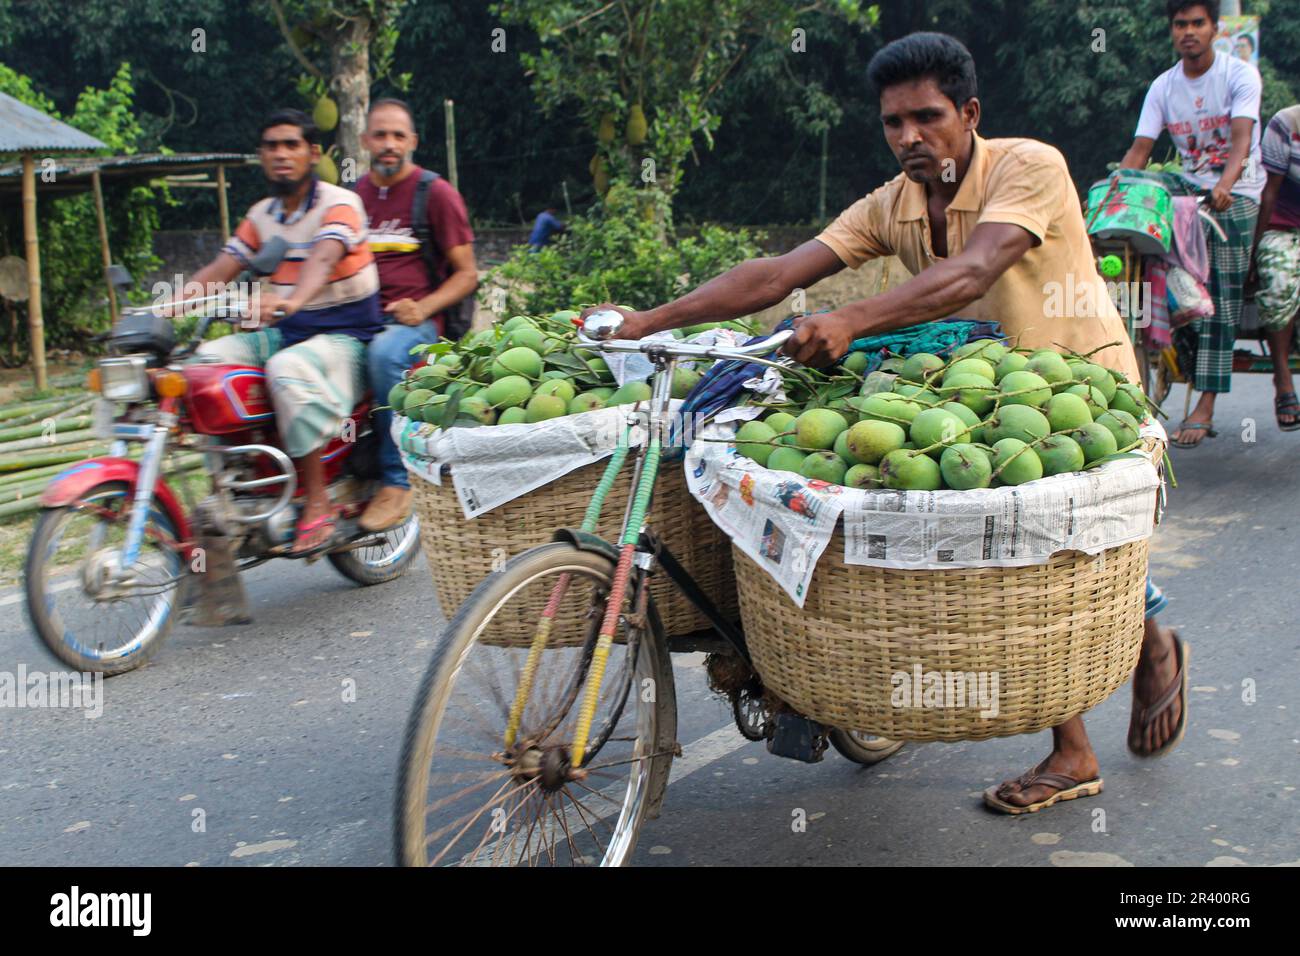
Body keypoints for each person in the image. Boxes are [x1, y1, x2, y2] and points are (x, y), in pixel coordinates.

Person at [581, 31, 1189, 813]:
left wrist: (853, 319)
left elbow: (970, 271)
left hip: (1072, 390)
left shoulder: (1028, 167)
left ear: (968, 113)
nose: (908, 137)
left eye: (926, 117)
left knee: (1047, 560)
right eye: (893, 122)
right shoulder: (890, 204)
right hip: (968, 395)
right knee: (1002, 552)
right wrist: (650, 319)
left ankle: (1080, 740)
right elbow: (777, 274)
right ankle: (1145, 635)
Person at [182, 108, 383, 554]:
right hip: (287, 330)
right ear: (261, 155)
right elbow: (221, 268)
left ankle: (316, 503)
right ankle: (236, 485)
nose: (280, 154)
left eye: (291, 145)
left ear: (313, 153)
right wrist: (160, 308)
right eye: (271, 146)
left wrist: (289, 300)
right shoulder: (262, 215)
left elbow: (325, 258)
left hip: (348, 337)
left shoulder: (340, 204)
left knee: (285, 369)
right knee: (201, 367)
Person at [1119, 0, 1263, 448]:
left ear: (1215, 29)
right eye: (1180, 24)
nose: (1189, 31)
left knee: (1221, 292)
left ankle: (1205, 404)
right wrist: (1116, 193)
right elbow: (1141, 149)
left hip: (1237, 191)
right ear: (1172, 31)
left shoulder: (1239, 74)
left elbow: (1241, 141)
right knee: (1135, 220)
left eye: (1198, 23)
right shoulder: (1163, 86)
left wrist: (1225, 184)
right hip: (1187, 187)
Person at [354, 98, 478, 531]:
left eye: (398, 135)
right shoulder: (352, 198)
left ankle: (397, 479)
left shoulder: (435, 194)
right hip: (358, 318)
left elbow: (467, 275)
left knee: (384, 355)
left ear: (412, 142)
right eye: (380, 135)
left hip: (417, 323)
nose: (389, 144)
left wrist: (421, 307)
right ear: (365, 140)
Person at [1249, 102, 1300, 430]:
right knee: (1280, 281)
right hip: (1283, 226)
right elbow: (1269, 191)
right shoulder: (1287, 123)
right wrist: (1254, 252)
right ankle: (1282, 376)